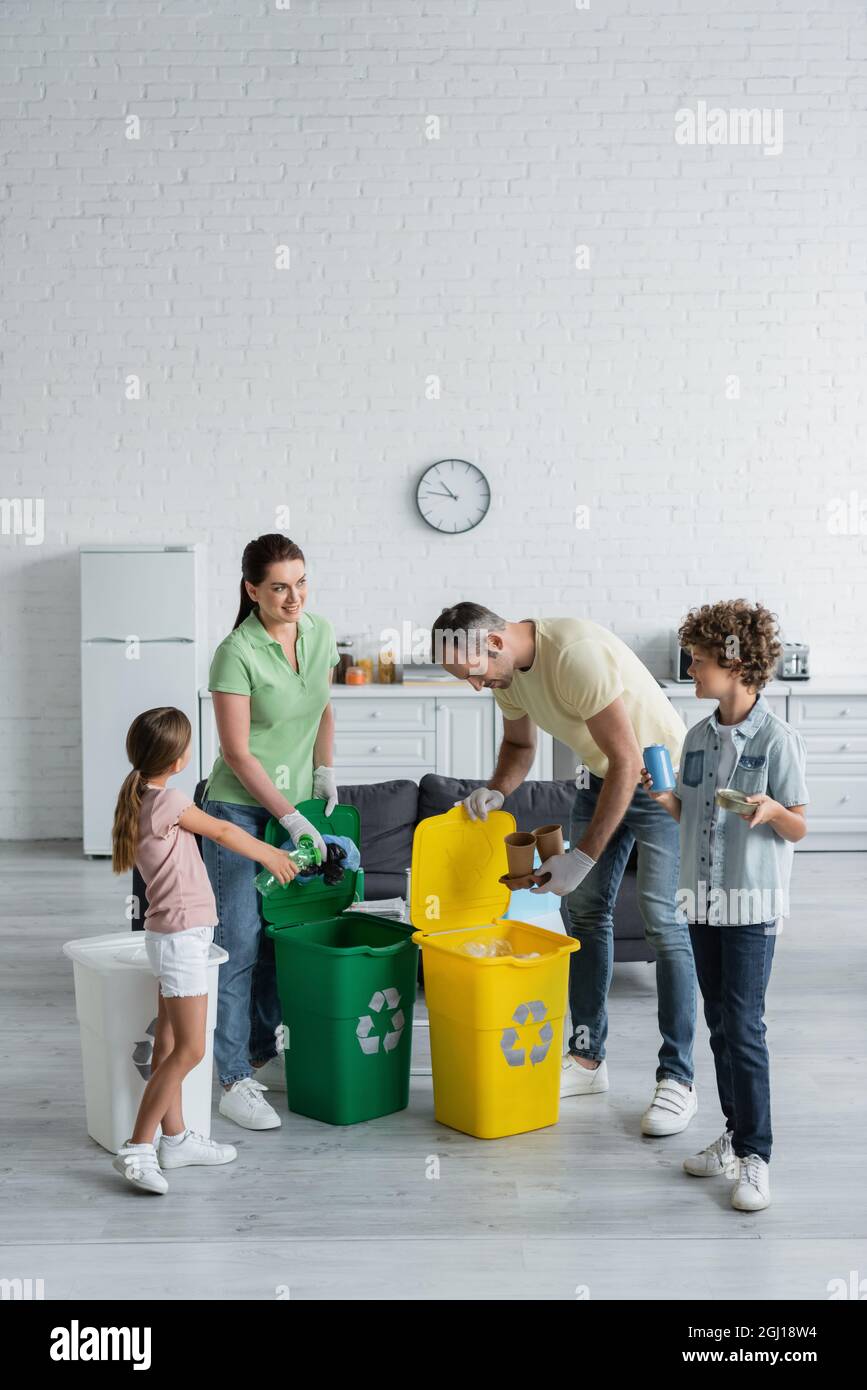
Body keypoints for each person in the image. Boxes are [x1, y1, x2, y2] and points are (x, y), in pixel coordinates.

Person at [431, 603, 696, 1136]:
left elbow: (628, 761)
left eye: (475, 674)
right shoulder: (508, 674)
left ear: (495, 644)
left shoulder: (574, 656)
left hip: (659, 777)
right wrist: (496, 788)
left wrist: (581, 857)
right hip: (603, 776)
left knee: (664, 921)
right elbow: (519, 744)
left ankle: (678, 1079)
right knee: (584, 912)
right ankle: (587, 1059)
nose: (478, 688)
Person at [642, 600, 808, 1211]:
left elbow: (799, 828)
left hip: (752, 905)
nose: (693, 670)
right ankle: (736, 1138)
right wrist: (662, 796)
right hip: (701, 901)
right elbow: (692, 814)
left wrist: (772, 812)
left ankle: (756, 1154)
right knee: (718, 1027)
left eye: (701, 661)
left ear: (736, 664)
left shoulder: (779, 738)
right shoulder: (694, 738)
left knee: (743, 1028)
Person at [110, 706, 298, 1194]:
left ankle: (175, 1140)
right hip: (181, 940)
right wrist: (273, 853)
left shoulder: (139, 799)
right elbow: (223, 830)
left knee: (170, 1044)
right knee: (191, 1049)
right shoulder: (169, 801)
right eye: (188, 744)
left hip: (169, 936)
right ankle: (137, 1147)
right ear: (177, 757)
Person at [203, 534, 341, 1131]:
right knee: (238, 940)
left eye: (301, 582)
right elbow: (236, 753)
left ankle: (262, 1050)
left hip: (299, 804)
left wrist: (326, 772)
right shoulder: (235, 653)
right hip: (239, 809)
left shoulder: (320, 632)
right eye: (280, 586)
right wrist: (287, 815)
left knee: (281, 933)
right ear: (251, 590)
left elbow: (322, 708)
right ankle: (232, 1078)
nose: (293, 597)